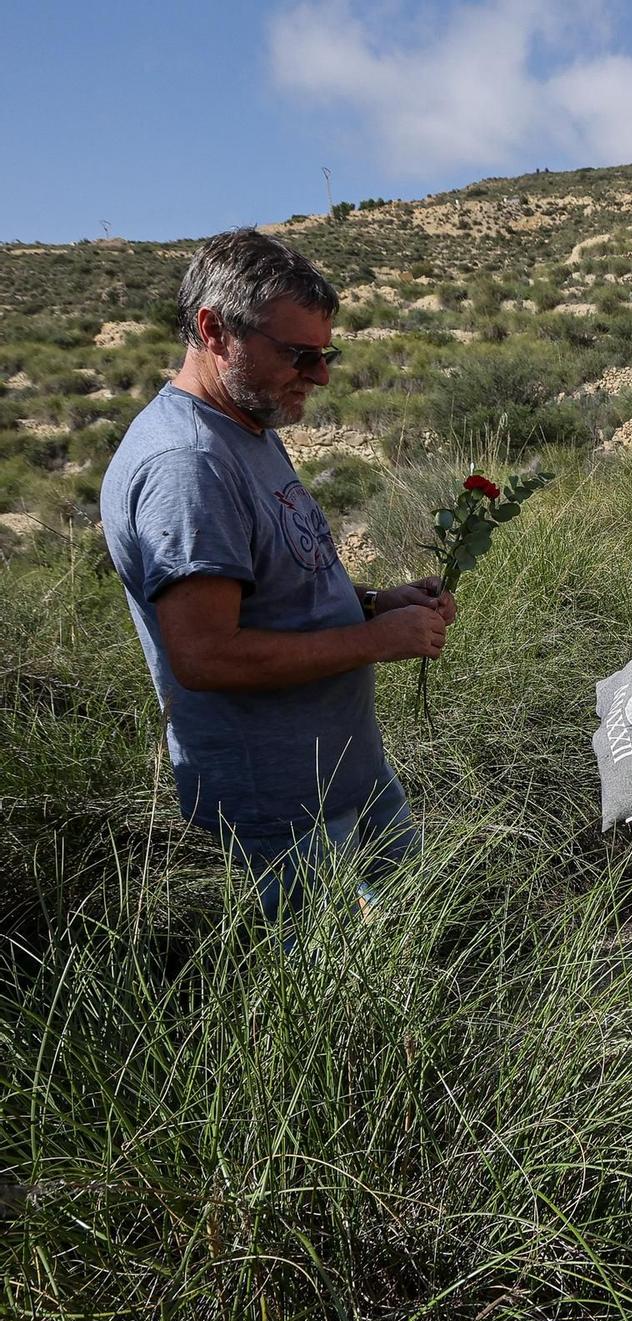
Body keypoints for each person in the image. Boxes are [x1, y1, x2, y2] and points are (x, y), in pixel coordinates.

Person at [100, 228, 454, 918]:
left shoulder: (247, 426)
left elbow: (276, 588)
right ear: (215, 330)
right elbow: (204, 655)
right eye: (298, 355)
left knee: (419, 940)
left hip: (343, 770)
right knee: (328, 998)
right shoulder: (187, 464)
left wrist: (376, 604)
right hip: (280, 804)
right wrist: (377, 642)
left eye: (327, 354)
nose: (319, 375)